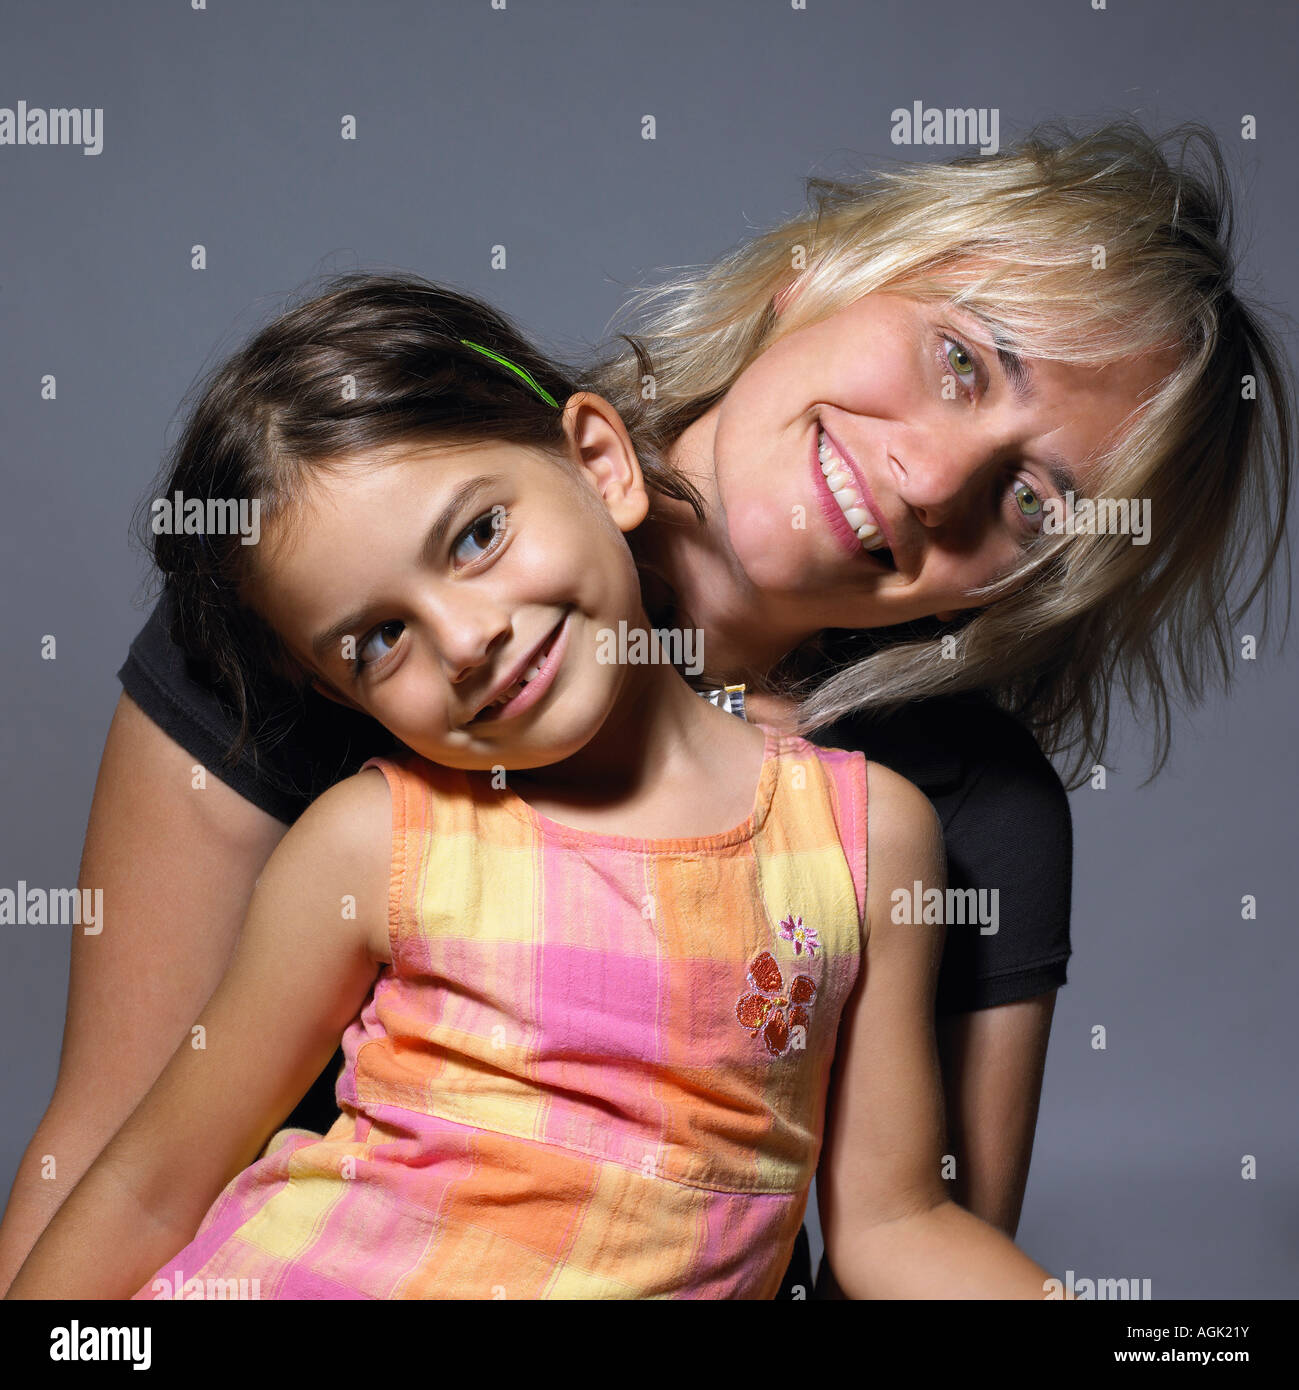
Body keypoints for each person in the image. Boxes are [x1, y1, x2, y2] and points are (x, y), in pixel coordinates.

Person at [0, 118, 1288, 1296]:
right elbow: (120, 1158)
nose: (934, 475)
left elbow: (904, 1248)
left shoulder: (945, 819)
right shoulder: (348, 537)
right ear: (820, 268)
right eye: (959, 360)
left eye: (1035, 500)